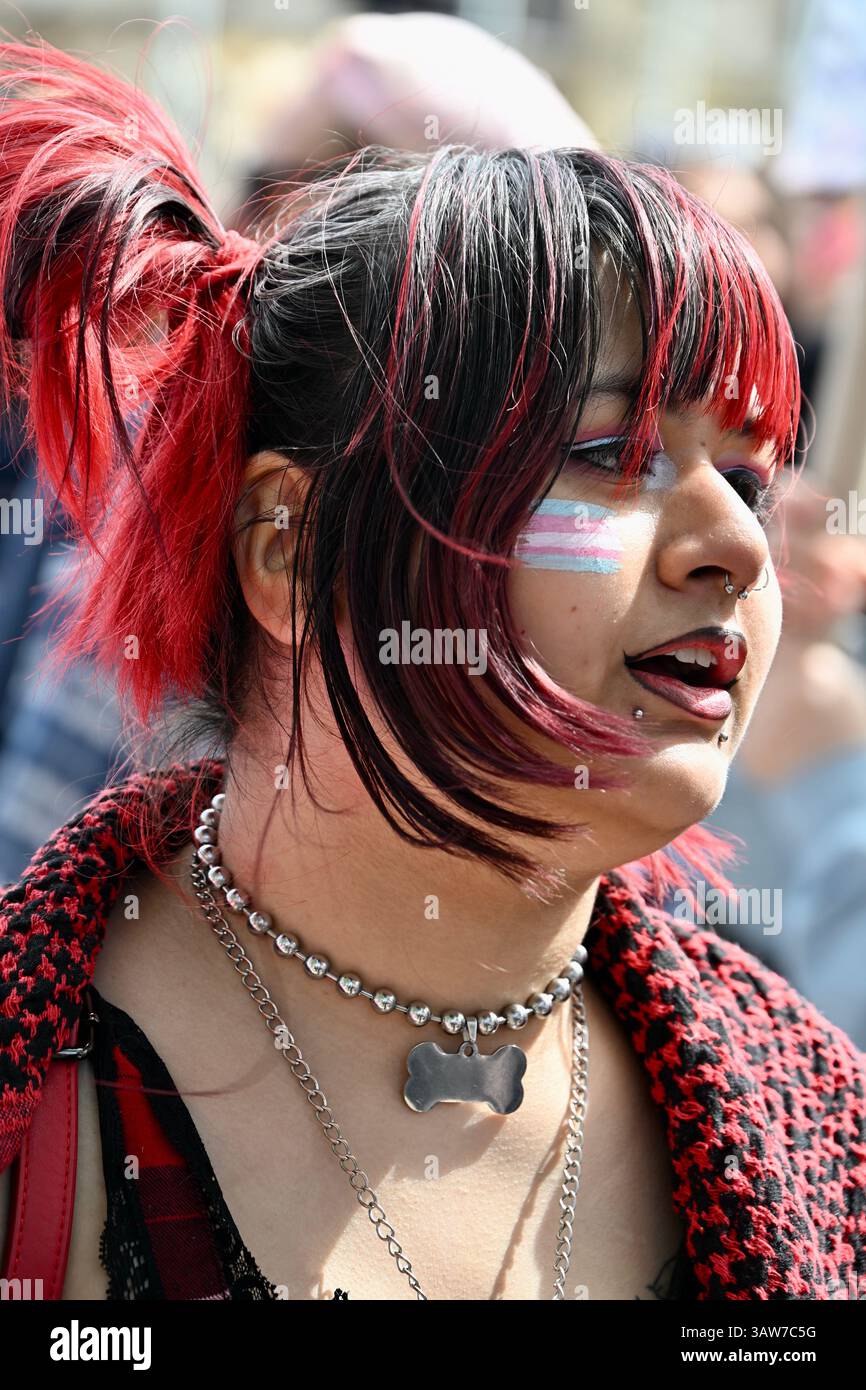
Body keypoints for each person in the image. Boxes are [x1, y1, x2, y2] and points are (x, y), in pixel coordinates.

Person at [0, 35, 865, 1304]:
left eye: (744, 476)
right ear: (290, 546)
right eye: (612, 452)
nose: (735, 545)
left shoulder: (816, 1115)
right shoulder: (39, 1114)